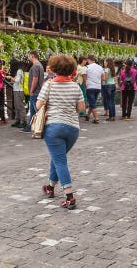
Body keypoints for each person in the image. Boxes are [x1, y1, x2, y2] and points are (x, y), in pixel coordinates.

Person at [38, 54, 85, 210]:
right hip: (72, 128)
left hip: (53, 127)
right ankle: (50, 186)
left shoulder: (49, 85)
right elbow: (81, 109)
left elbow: (38, 105)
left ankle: (69, 196)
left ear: (54, 68)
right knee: (58, 157)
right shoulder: (75, 86)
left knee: (60, 161)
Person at [23, 51, 45, 133]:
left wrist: (31, 90)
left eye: (29, 56)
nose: (28, 57)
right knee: (32, 110)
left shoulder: (35, 66)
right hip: (38, 91)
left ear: (32, 56)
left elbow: (35, 79)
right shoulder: (40, 65)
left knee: (37, 111)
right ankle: (29, 127)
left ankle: (42, 128)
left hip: (35, 92)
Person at [84, 55, 105, 124]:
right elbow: (103, 78)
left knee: (92, 103)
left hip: (90, 86)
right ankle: (87, 115)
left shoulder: (87, 67)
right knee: (92, 102)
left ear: (89, 60)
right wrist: (98, 81)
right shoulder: (100, 67)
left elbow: (85, 78)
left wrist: (86, 85)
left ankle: (96, 118)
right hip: (98, 87)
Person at [11, 62, 28, 128]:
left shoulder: (19, 71)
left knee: (20, 106)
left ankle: (23, 121)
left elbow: (17, 80)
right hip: (17, 90)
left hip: (19, 91)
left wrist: (10, 77)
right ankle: (18, 120)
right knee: (17, 106)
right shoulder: (20, 71)